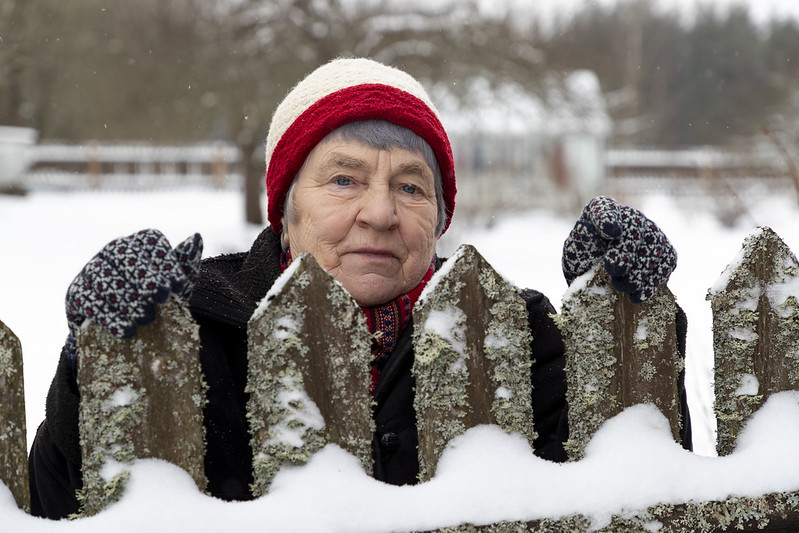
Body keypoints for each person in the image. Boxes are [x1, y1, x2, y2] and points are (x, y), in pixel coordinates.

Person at [27, 57, 690, 520]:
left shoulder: (515, 337)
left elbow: (642, 494)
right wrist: (93, 361)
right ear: (284, 210)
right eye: (343, 179)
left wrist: (632, 316)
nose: (379, 213)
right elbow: (60, 504)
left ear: (438, 218)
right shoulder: (193, 322)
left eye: (409, 186)